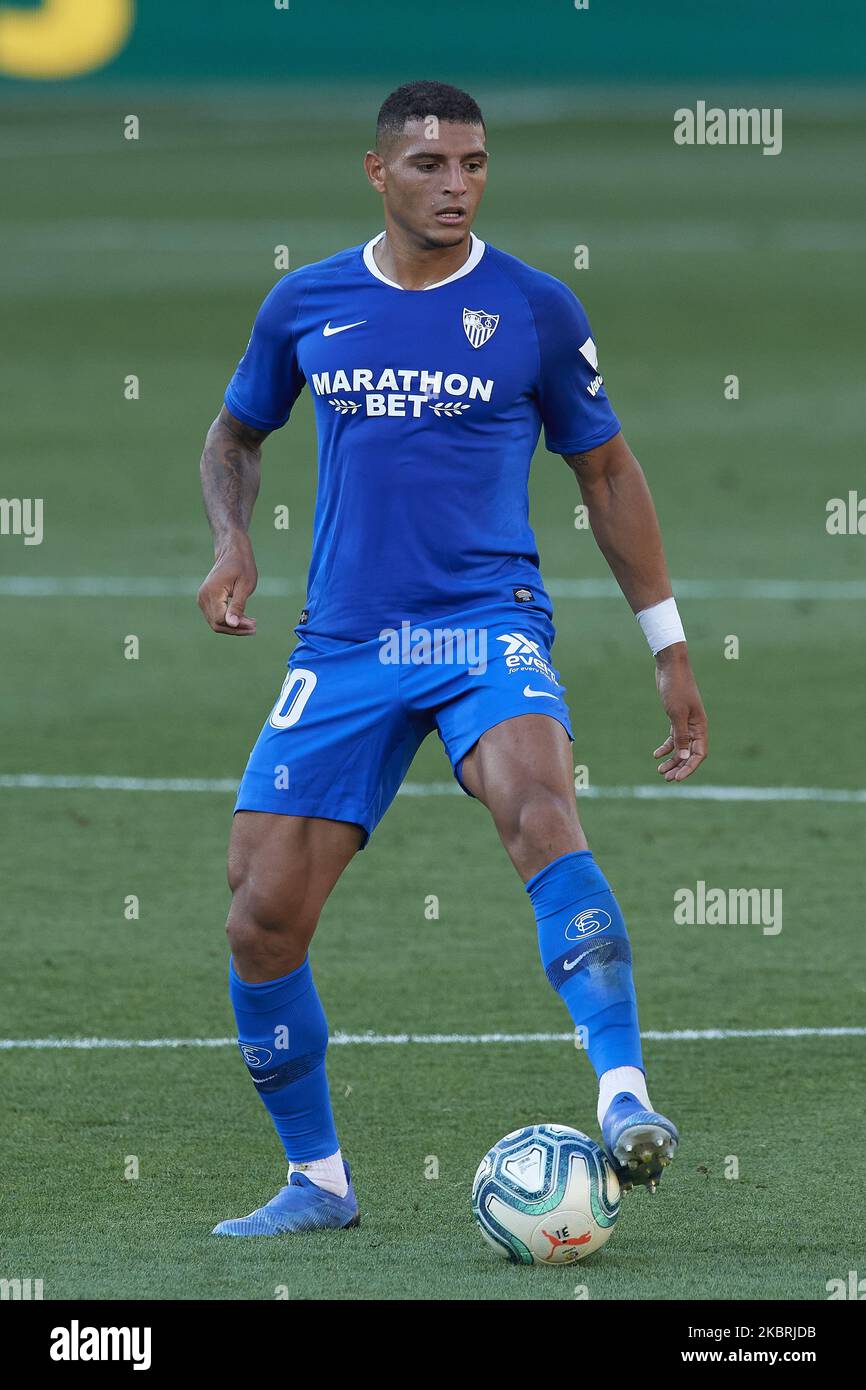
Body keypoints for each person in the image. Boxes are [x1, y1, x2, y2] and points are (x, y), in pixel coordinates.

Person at [197, 80, 708, 1236]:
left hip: (484, 623)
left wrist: (666, 643)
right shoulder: (306, 302)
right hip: (347, 639)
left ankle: (622, 1091)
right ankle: (318, 1181)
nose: (456, 186)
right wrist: (232, 541)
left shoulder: (532, 307)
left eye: (473, 164)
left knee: (539, 806)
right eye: (429, 165)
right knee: (259, 915)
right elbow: (235, 433)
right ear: (376, 171)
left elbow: (604, 472)